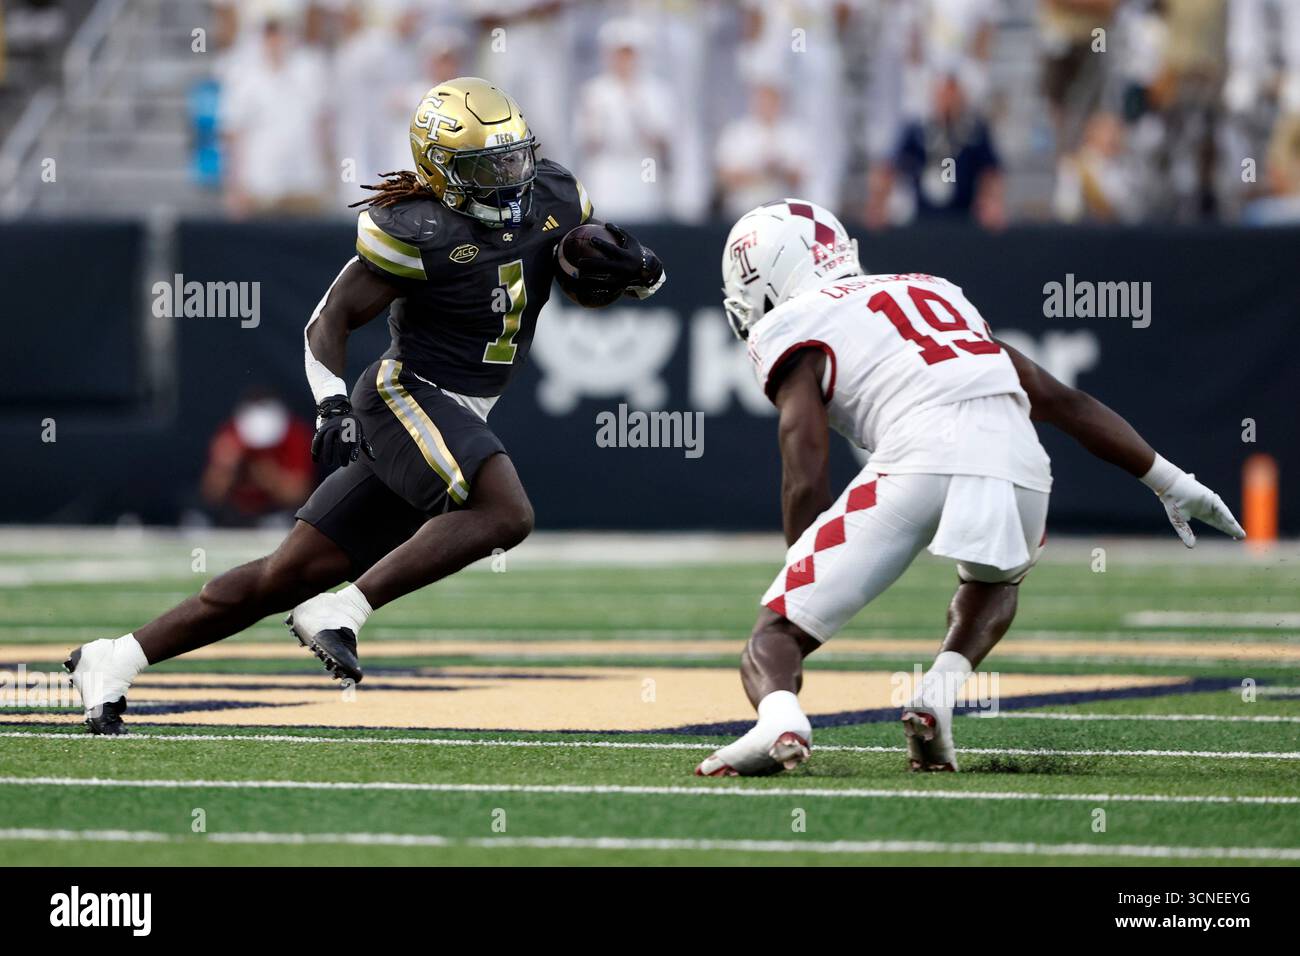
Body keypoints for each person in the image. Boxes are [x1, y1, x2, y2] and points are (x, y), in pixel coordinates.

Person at [65, 77, 666, 733]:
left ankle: (114, 658)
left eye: (514, 158)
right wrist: (330, 404)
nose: (509, 177)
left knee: (285, 574)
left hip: (458, 412)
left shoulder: (555, 195)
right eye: (487, 167)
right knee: (505, 512)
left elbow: (584, 287)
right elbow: (329, 320)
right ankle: (343, 609)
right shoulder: (421, 231)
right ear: (442, 170)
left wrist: (638, 271)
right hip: (406, 396)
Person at [699, 198, 1244, 775]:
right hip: (1020, 459)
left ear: (772, 276)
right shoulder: (934, 289)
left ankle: (781, 721)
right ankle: (936, 695)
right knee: (996, 576)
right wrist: (1168, 480)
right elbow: (1060, 399)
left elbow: (805, 454)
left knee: (775, 634)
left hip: (919, 451)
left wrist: (801, 568)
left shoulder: (791, 322)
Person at [197, 389, 315, 526]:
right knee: (197, 518)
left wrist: (271, 478)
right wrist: (226, 468)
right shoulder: (229, 435)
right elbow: (210, 493)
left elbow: (299, 494)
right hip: (233, 512)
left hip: (275, 514)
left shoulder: (295, 436)